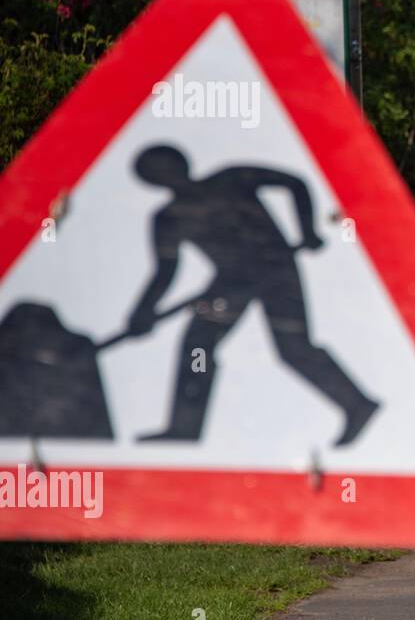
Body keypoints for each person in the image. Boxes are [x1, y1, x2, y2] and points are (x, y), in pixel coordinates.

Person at [126, 144, 378, 446]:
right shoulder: (168, 218)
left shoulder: (231, 178)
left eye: (166, 167)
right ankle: (185, 426)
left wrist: (306, 229)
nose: (165, 176)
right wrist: (143, 311)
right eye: (155, 173)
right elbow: (165, 270)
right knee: (198, 347)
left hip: (275, 269)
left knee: (294, 347)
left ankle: (356, 404)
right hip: (230, 284)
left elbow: (294, 183)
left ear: (181, 163)